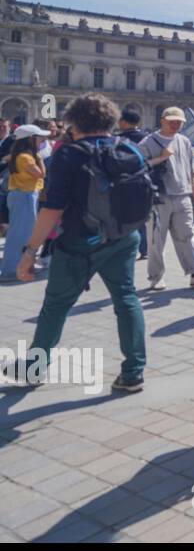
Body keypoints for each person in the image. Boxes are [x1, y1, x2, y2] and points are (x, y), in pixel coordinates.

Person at [14, 94, 149, 392]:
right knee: (126, 300)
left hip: (80, 243)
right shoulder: (128, 149)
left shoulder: (69, 154)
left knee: (55, 305)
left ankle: (35, 368)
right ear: (110, 119)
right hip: (124, 237)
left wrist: (30, 252)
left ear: (75, 121)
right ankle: (133, 371)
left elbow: (52, 209)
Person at [140, 107, 194, 291]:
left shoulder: (184, 141)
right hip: (158, 198)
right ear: (162, 120)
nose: (176, 124)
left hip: (183, 196)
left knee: (186, 235)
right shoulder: (147, 142)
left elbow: (190, 170)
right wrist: (161, 158)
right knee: (156, 240)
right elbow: (138, 167)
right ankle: (156, 277)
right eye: (172, 121)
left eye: (179, 121)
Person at [1, 125, 50, 281]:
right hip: (25, 196)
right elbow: (40, 174)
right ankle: (10, 271)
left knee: (21, 233)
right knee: (19, 235)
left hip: (22, 195)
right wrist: (40, 159)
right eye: (39, 137)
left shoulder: (19, 155)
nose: (42, 140)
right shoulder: (26, 157)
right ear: (30, 138)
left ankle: (16, 268)